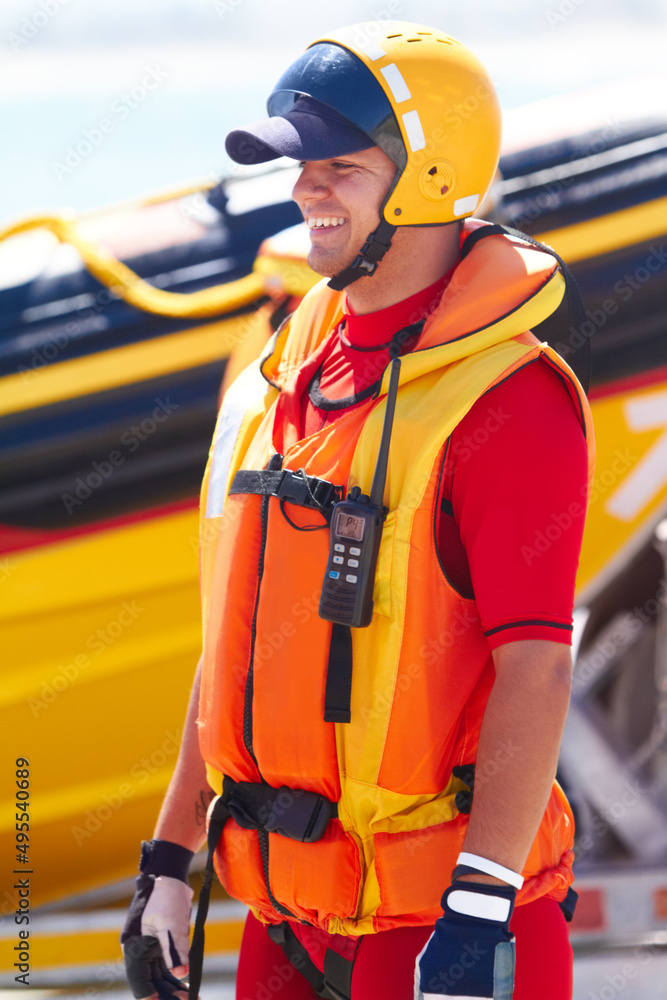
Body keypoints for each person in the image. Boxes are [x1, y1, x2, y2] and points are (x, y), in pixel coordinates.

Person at [121, 20, 593, 1000]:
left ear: (426, 177)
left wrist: (480, 901)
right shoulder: (284, 374)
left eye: (337, 165)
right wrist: (169, 859)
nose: (305, 190)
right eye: (302, 168)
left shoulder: (507, 403)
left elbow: (536, 667)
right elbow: (235, 647)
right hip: (285, 916)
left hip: (433, 931)